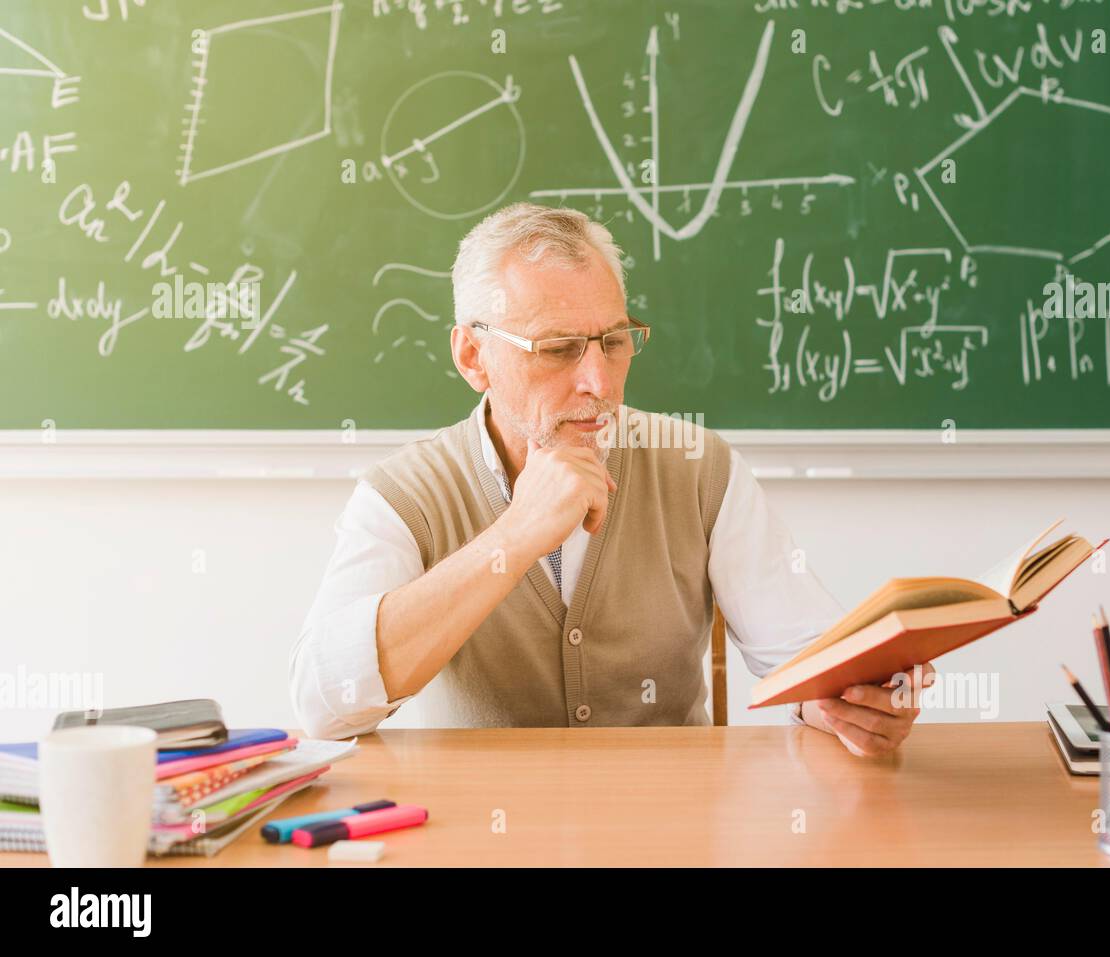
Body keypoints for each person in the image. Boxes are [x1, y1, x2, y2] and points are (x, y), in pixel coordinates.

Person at [289, 202, 934, 755]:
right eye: (558, 349)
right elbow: (327, 705)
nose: (599, 383)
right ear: (472, 356)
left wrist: (844, 702)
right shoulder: (405, 494)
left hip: (670, 836)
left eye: (614, 341)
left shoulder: (698, 468)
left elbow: (805, 658)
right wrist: (513, 537)